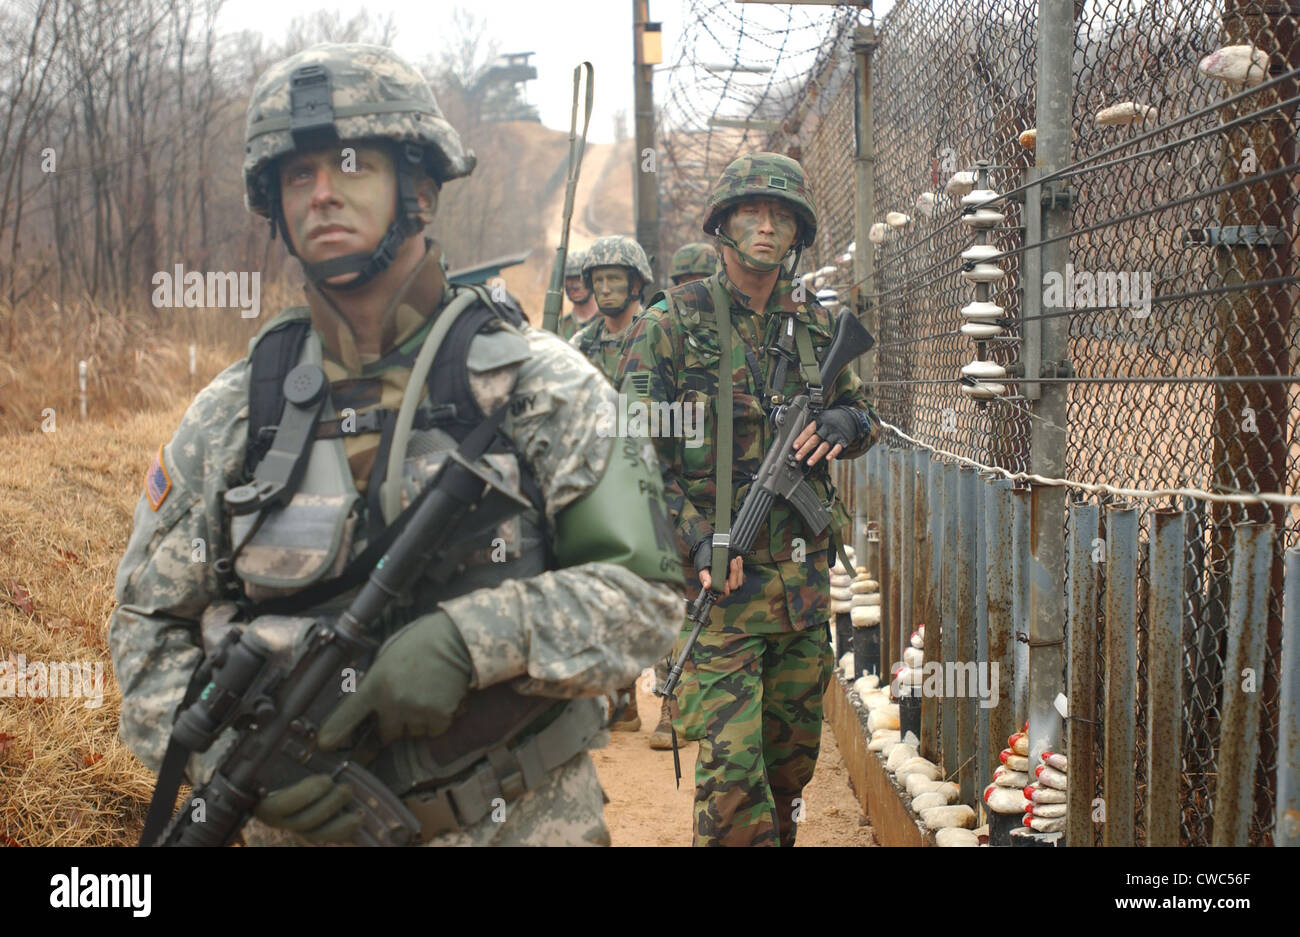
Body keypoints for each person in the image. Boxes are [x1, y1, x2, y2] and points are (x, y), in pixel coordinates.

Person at [108, 43, 681, 847]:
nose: (322, 194)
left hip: (512, 823)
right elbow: (145, 623)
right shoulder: (235, 414)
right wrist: (228, 759)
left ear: (416, 186)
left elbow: (648, 600)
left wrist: (472, 641)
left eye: (351, 166)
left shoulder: (539, 386)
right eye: (297, 176)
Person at [619, 152, 882, 846]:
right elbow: (632, 455)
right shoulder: (673, 323)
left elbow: (865, 415)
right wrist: (695, 537)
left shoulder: (817, 326)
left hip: (799, 595)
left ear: (798, 234)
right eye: (751, 213)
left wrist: (846, 424)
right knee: (736, 790)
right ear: (723, 225)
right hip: (719, 595)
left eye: (782, 218)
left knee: (788, 775)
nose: (767, 228)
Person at [568, 234, 654, 734]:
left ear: (635, 282)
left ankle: (673, 703)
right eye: (597, 280)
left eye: (614, 279)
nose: (604, 289)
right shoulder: (582, 346)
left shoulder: (656, 332)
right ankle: (620, 696)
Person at [556, 249, 599, 341]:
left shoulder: (608, 322)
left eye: (580, 278)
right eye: (569, 279)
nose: (574, 286)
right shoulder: (560, 327)